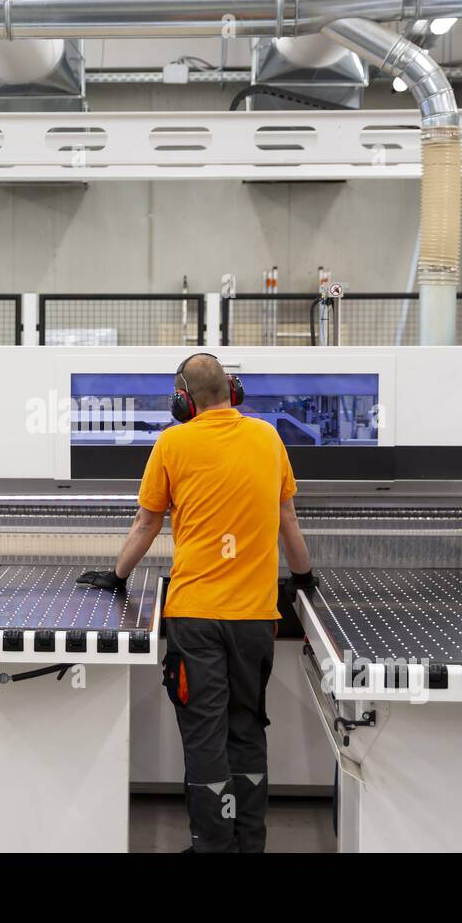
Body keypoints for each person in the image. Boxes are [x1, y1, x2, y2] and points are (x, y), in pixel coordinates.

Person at [77, 353, 317, 853]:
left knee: (205, 737)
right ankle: (250, 844)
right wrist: (304, 577)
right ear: (231, 389)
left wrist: (116, 576)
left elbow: (146, 525)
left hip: (196, 618)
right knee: (247, 729)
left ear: (182, 400)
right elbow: (287, 520)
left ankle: (212, 846)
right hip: (256, 618)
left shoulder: (172, 442)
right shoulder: (269, 439)